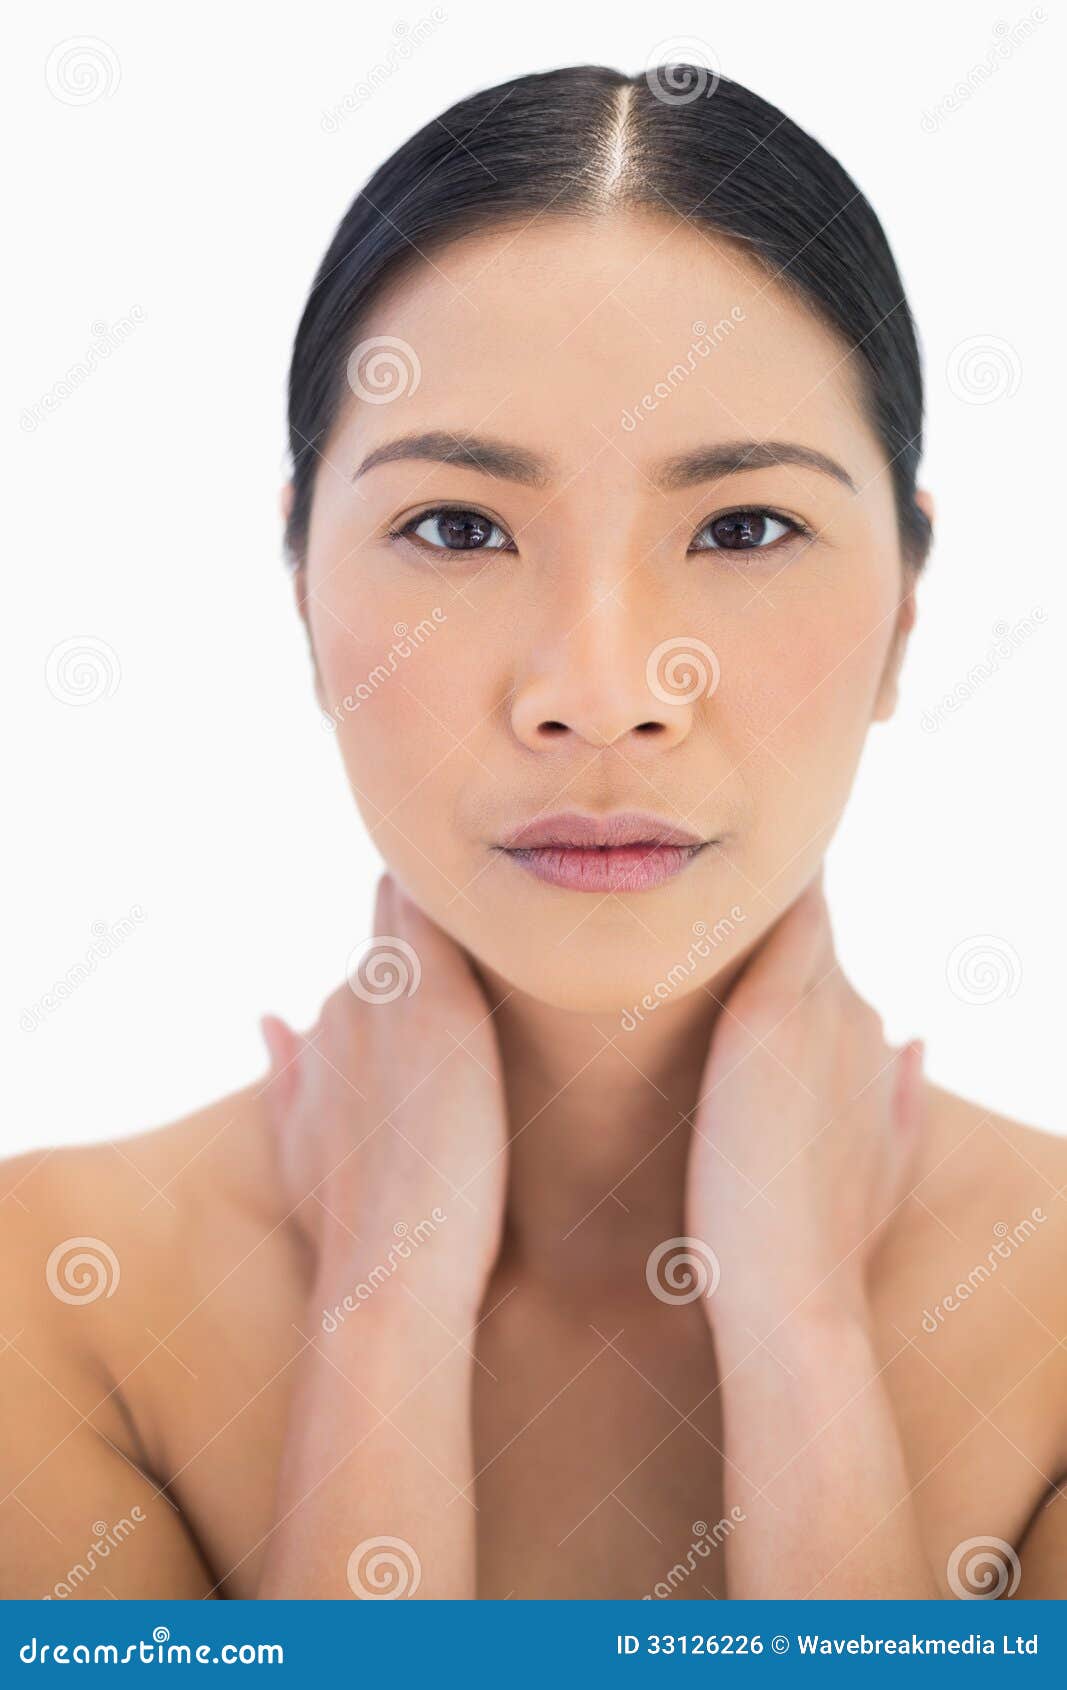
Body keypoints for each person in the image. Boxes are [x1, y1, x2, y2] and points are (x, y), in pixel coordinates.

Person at [3, 64, 1064, 1602]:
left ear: (907, 608)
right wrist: (381, 1315)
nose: (603, 690)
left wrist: (801, 1333)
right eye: (458, 526)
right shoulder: (56, 1303)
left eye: (745, 527)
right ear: (303, 585)